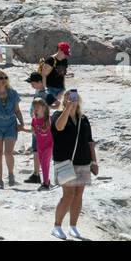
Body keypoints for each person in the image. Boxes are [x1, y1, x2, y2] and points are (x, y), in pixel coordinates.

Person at [50, 90, 99, 240]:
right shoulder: (57, 115)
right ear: (64, 99)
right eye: (68, 96)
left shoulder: (83, 119)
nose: (71, 99)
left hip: (83, 160)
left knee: (78, 195)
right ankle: (57, 226)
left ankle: (73, 226)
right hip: (64, 161)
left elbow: (90, 142)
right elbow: (59, 127)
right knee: (68, 195)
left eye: (74, 97)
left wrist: (94, 161)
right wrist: (67, 109)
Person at [30, 98, 54, 192]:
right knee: (42, 163)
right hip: (40, 145)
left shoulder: (48, 118)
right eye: (34, 106)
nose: (35, 108)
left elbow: (51, 130)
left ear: (43, 108)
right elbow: (33, 130)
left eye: (38, 107)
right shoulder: (34, 119)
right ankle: (47, 180)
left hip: (49, 145)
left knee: (44, 163)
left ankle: (45, 184)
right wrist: (33, 131)